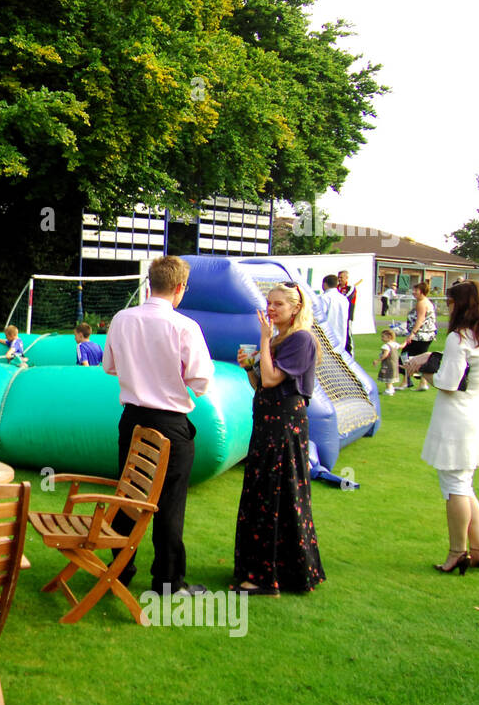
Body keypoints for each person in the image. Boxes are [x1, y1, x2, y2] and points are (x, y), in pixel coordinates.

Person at [101, 255, 214, 596]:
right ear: (180, 288)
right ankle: (168, 582)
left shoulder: (122, 319)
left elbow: (109, 367)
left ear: (149, 283)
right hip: (170, 422)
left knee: (128, 496)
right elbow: (200, 382)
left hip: (134, 419)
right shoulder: (184, 327)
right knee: (169, 504)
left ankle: (118, 570)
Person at [232, 282, 325, 595]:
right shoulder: (283, 337)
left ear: (295, 308)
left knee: (276, 493)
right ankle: (261, 569)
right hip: (268, 421)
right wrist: (249, 366)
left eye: (278, 305)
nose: (270, 309)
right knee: (263, 491)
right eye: (269, 303)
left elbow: (272, 379)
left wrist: (263, 341)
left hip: (283, 425)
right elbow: (261, 382)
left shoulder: (301, 339)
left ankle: (268, 577)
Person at [420, 282, 479, 574]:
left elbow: (448, 383)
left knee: (455, 485)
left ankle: (457, 551)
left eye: (451, 303)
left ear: (463, 306)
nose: (449, 308)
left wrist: (422, 367)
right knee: (464, 483)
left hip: (457, 417)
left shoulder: (459, 338)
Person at [398, 283, 437, 389]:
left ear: (422, 291)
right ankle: (423, 383)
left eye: (416, 290)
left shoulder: (421, 303)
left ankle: (406, 381)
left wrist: (412, 334)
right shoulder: (428, 302)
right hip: (427, 335)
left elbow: (420, 319)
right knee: (422, 357)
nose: (413, 292)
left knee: (405, 356)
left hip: (420, 336)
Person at [317, 274, 349, 353]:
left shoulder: (324, 297)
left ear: (324, 284)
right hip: (341, 336)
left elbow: (319, 316)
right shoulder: (344, 298)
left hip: (326, 336)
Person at [337, 271, 360, 357]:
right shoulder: (336, 288)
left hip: (347, 316)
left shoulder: (350, 288)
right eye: (338, 277)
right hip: (337, 315)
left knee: (348, 335)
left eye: (341, 277)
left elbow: (346, 298)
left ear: (346, 278)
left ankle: (350, 356)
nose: (339, 279)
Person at [375, 328, 401, 396]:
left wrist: (378, 360)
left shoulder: (385, 346)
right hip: (394, 364)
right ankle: (391, 388)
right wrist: (407, 341)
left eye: (383, 336)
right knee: (391, 376)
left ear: (389, 337)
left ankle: (389, 390)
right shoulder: (395, 344)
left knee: (387, 377)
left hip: (388, 364)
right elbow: (401, 346)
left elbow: (385, 355)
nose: (382, 338)